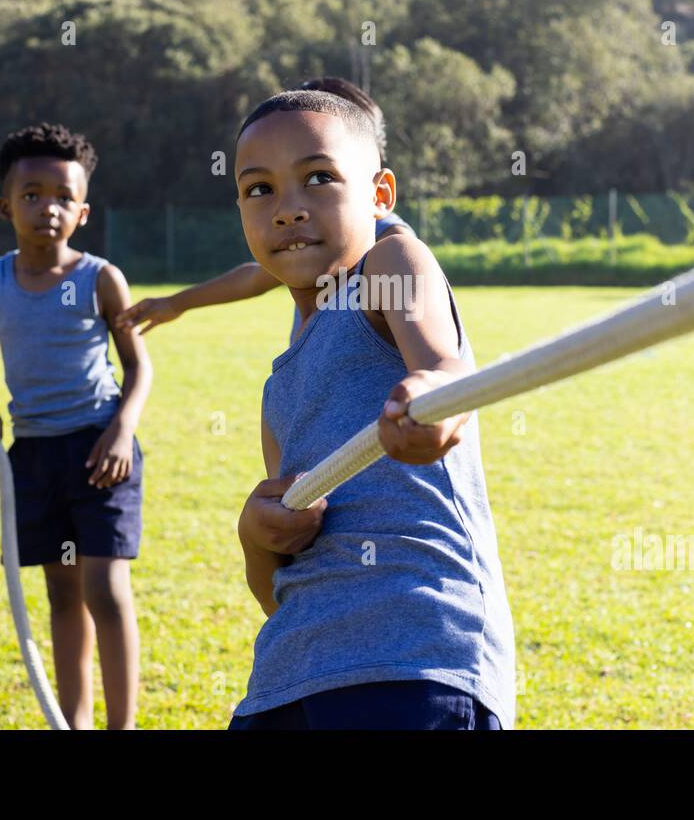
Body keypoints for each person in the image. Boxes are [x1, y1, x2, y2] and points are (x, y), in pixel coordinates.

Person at [225, 90, 516, 729]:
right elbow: (276, 589)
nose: (287, 209)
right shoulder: (278, 389)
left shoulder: (387, 263)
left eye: (319, 178)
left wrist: (430, 407)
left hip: (413, 660)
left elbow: (444, 370)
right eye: (259, 190)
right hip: (286, 677)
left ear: (381, 194)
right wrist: (254, 536)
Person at [0, 122, 152, 729]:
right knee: (62, 595)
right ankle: (76, 723)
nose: (48, 208)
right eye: (32, 195)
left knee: (105, 592)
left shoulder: (100, 279)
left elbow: (139, 367)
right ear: (4, 206)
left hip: (100, 451)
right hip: (32, 456)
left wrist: (121, 430)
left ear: (82, 211)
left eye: (64, 197)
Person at [114, 78, 414, 343]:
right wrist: (176, 302)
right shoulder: (307, 244)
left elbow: (440, 362)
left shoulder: (392, 243)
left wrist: (433, 375)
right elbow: (254, 278)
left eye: (320, 177)